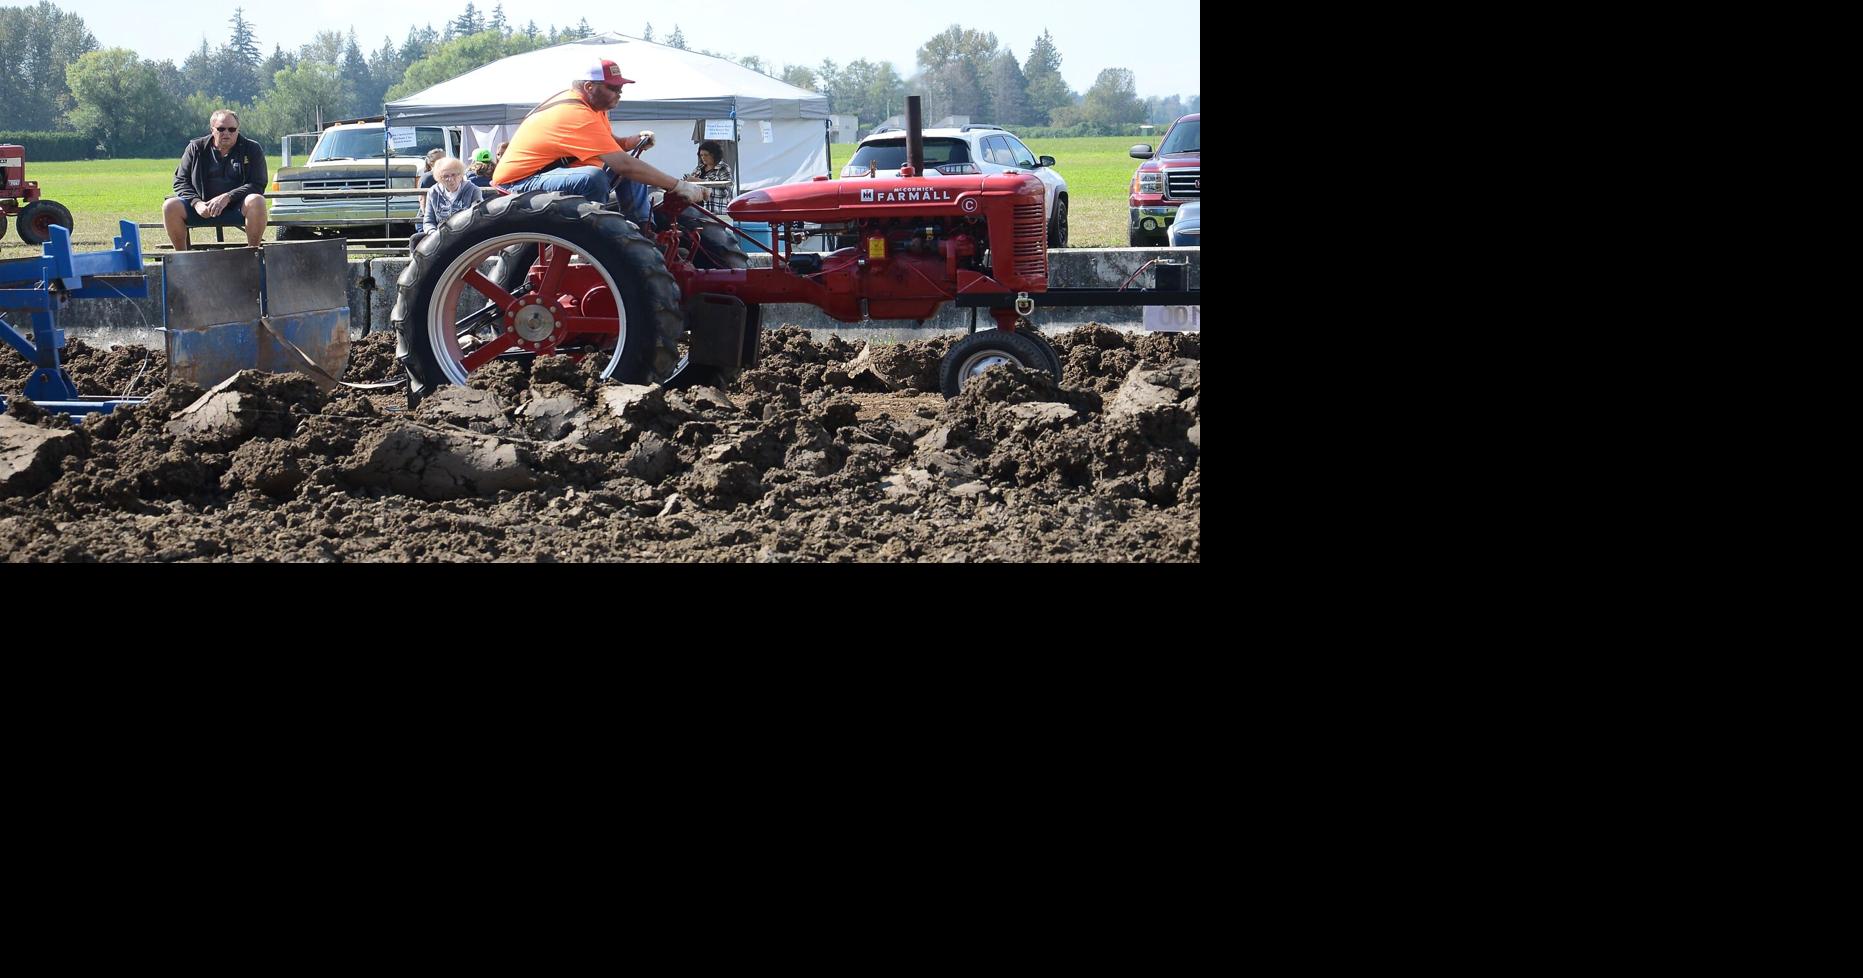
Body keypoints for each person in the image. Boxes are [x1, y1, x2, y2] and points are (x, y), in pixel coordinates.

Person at [492, 58, 705, 223]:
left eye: (620, 87)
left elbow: (613, 147)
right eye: (612, 88)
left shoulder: (593, 109)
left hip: (544, 175)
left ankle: (642, 229)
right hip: (517, 184)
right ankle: (596, 238)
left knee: (628, 170)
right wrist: (678, 185)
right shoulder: (575, 113)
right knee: (593, 177)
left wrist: (634, 141)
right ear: (589, 87)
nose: (619, 93)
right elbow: (623, 165)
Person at [162, 109, 268, 250]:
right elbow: (180, 181)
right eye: (221, 129)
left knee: (257, 200)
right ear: (212, 129)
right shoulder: (196, 148)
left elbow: (258, 184)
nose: (227, 133)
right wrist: (197, 203)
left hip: (237, 206)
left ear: (238, 130)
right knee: (170, 206)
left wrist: (228, 197)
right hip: (202, 207)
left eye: (232, 129)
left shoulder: (252, 148)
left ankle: (252, 253)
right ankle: (182, 258)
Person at [410, 157, 484, 252]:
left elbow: (478, 218)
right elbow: (428, 220)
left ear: (461, 175)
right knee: (415, 239)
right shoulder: (433, 192)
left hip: (464, 234)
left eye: (454, 175)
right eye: (445, 176)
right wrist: (434, 234)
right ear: (439, 178)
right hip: (439, 236)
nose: (450, 179)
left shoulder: (473, 190)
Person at [683, 140, 734, 213]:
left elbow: (725, 191)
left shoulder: (723, 168)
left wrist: (698, 182)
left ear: (714, 155)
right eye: (701, 155)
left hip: (716, 212)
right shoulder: (699, 168)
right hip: (697, 211)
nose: (703, 157)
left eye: (706, 155)